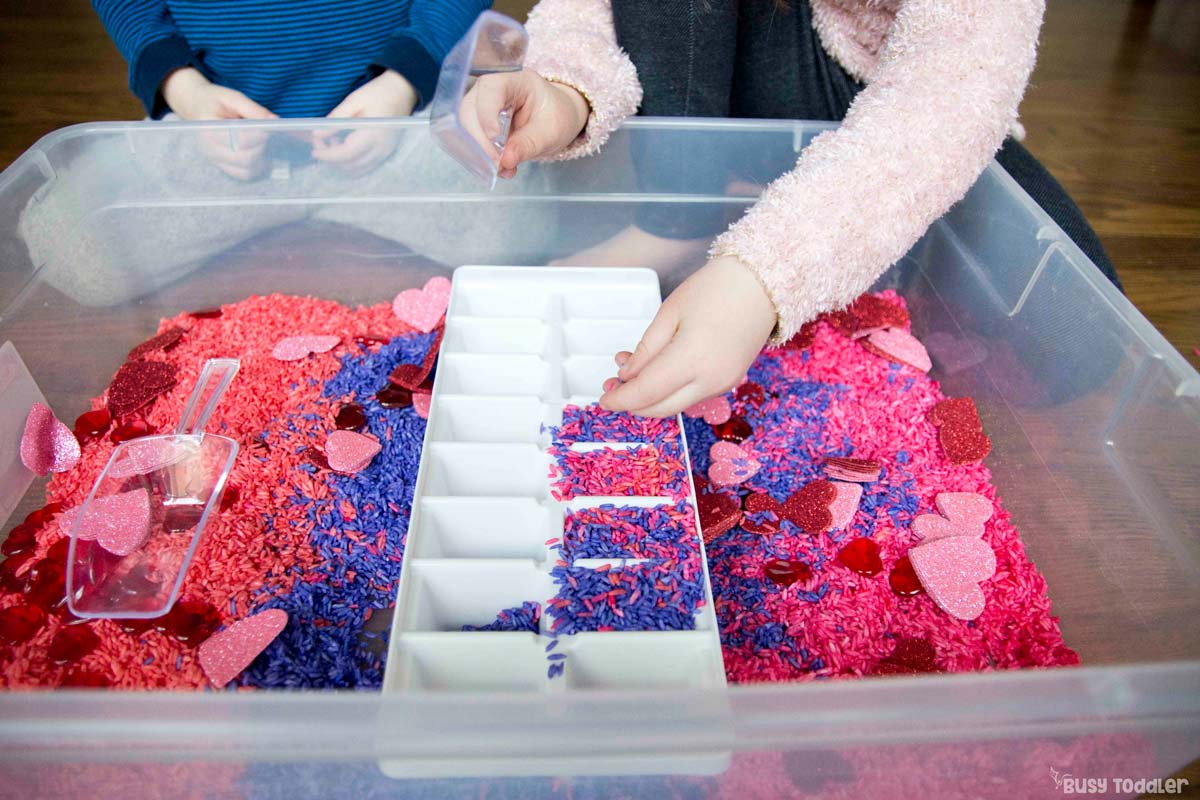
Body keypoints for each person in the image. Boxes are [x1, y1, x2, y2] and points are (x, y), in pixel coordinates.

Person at [464, 0, 1122, 418]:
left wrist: (765, 275)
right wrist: (565, 90)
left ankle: (777, 211)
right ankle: (676, 219)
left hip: (878, 86)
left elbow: (949, 93)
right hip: (736, 47)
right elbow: (598, 10)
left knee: (1076, 346)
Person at [92, 0, 492, 176]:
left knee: (522, 183)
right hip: (211, 130)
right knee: (66, 234)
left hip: (400, 118)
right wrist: (184, 89)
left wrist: (402, 83)